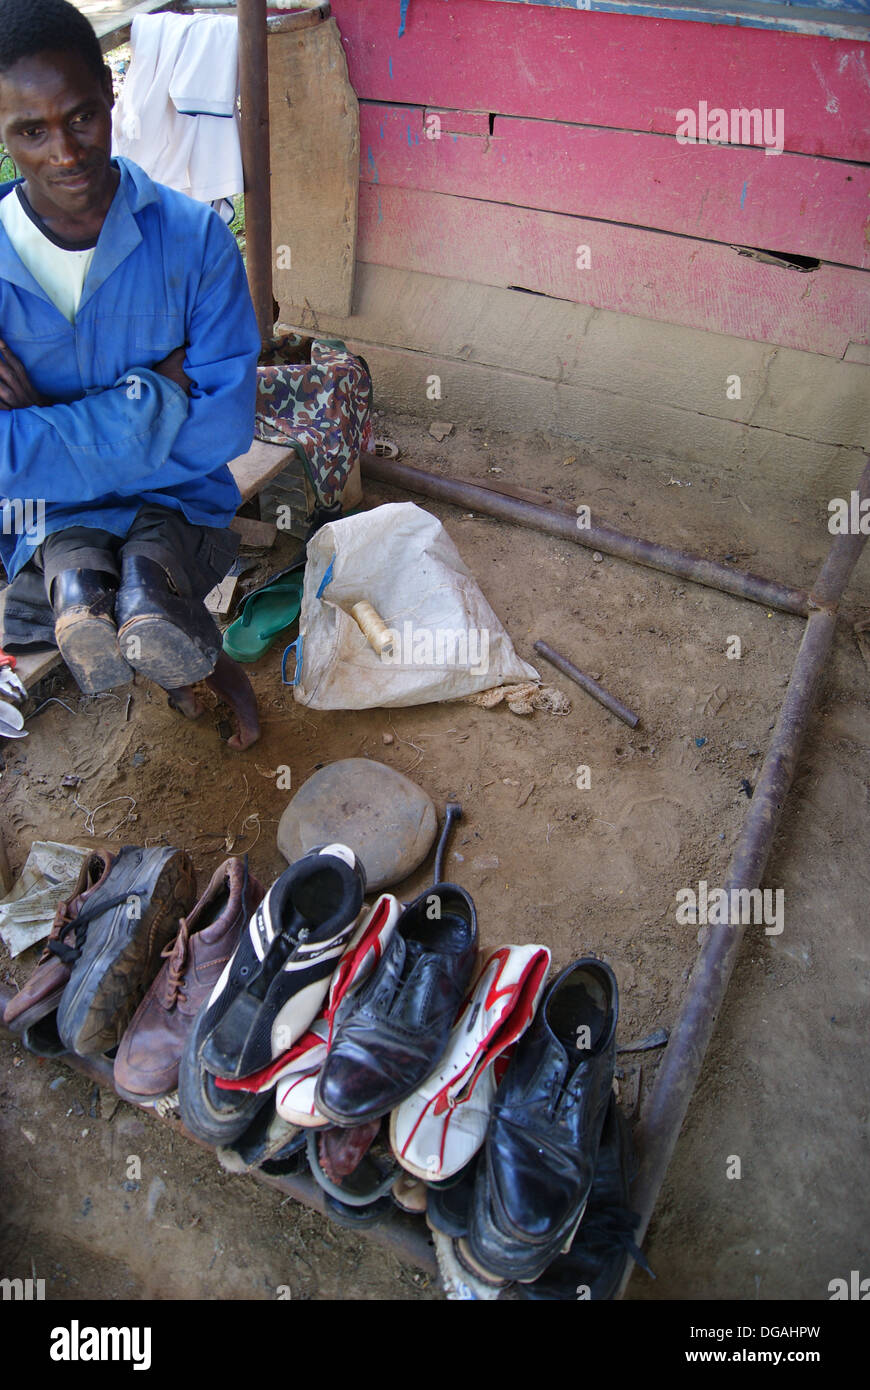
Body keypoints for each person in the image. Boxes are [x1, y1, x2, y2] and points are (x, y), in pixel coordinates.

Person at [0, 0, 261, 748]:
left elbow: (224, 426)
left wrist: (40, 419)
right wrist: (155, 393)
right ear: (2, 131)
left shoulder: (194, 240)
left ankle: (133, 610)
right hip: (44, 517)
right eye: (30, 130)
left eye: (81, 117)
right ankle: (114, 604)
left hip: (173, 500)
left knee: (141, 565)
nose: (65, 152)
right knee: (84, 559)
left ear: (112, 96)